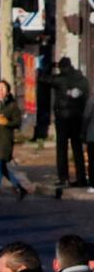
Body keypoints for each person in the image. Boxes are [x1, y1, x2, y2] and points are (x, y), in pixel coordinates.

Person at [0, 78, 29, 204]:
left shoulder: (12, 106)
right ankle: (20, 188)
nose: (0, 91)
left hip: (5, 139)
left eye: (3, 89)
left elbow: (17, 122)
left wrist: (6, 122)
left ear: (7, 92)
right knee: (2, 167)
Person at [50, 54, 88, 190]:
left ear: (61, 68)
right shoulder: (82, 79)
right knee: (77, 149)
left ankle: (64, 178)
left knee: (62, 149)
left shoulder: (59, 80)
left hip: (63, 118)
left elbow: (43, 79)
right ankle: (81, 178)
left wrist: (49, 66)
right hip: (78, 118)